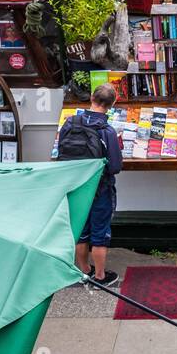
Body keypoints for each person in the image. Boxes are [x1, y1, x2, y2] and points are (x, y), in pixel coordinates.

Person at [56, 83, 124, 286]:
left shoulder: (70, 123)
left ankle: (84, 270)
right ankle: (101, 276)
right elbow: (114, 166)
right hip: (99, 188)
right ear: (111, 105)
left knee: (81, 230)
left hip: (75, 186)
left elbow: (61, 152)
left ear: (92, 98)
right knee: (100, 232)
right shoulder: (107, 131)